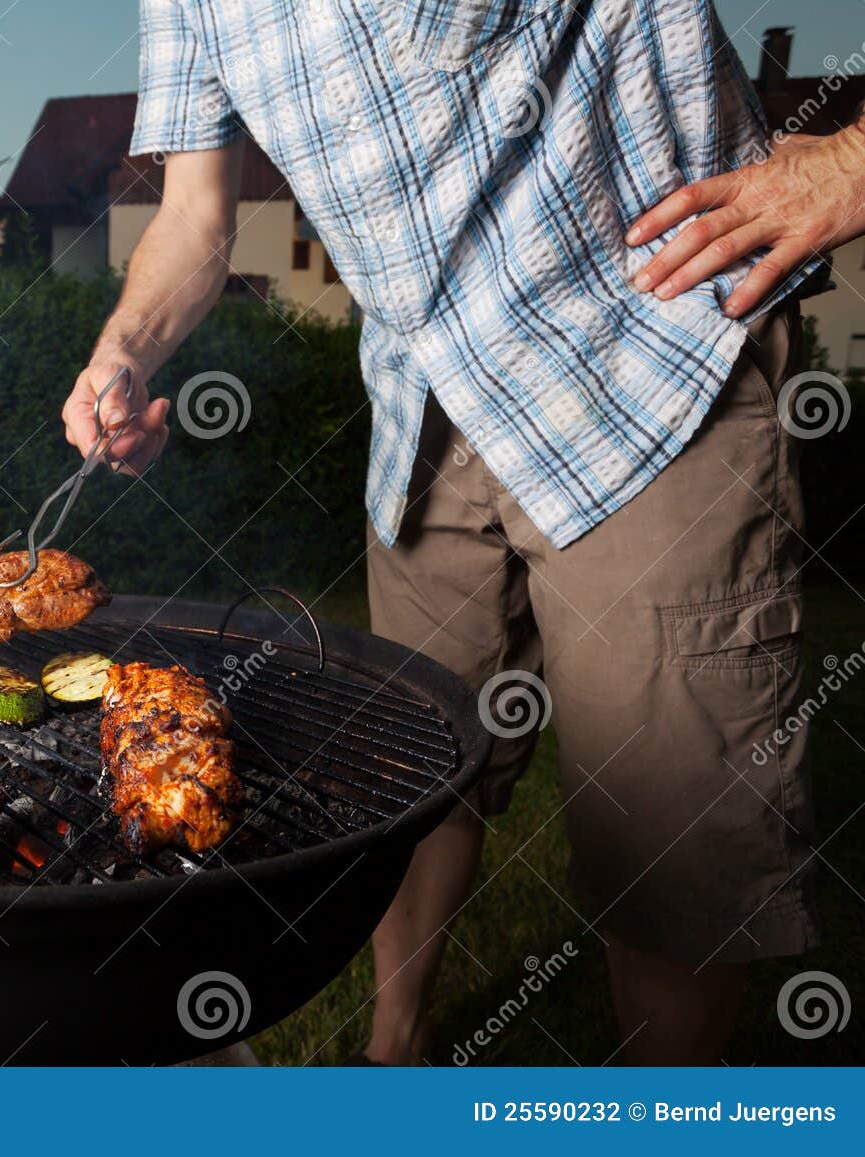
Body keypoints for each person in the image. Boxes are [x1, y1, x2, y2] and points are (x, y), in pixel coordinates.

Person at [61, 0, 856, 1064]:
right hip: (422, 410)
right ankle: (396, 1059)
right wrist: (126, 347)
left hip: (649, 365)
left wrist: (850, 159)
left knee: (670, 834)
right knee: (411, 771)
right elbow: (195, 218)